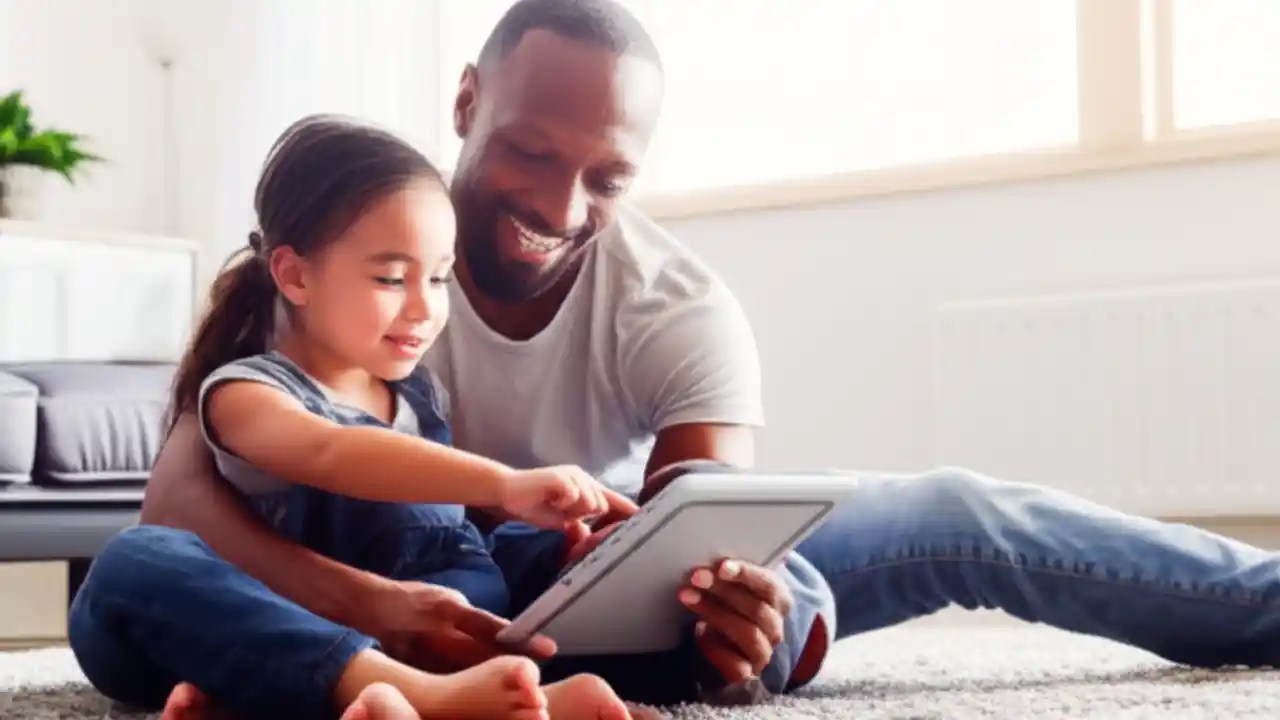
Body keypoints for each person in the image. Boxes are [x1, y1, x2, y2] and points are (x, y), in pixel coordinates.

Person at [73, 0, 1280, 714]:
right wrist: (379, 610)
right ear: (465, 103)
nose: (560, 202)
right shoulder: (340, 259)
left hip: (572, 569)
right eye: (533, 153)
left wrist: (738, 616)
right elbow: (179, 506)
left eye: (606, 175)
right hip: (375, 578)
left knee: (930, 517)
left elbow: (693, 536)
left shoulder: (675, 305)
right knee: (153, 569)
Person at [69, 115, 653, 720]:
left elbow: (451, 541)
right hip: (274, 626)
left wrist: (562, 539)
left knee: (537, 547)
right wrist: (503, 483)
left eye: (439, 277)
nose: (426, 307)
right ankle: (419, 697)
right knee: (134, 562)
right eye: (392, 278)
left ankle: (313, 700)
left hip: (427, 615)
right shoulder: (247, 391)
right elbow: (328, 450)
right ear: (296, 275)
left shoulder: (419, 396)